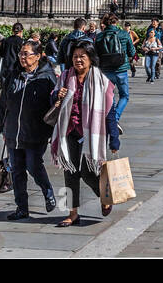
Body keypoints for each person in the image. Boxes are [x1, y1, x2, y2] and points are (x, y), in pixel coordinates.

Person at [49, 43, 118, 227]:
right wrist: (58, 94)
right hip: (68, 131)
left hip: (92, 133)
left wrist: (114, 140)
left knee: (89, 173)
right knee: (69, 172)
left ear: (90, 58)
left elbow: (109, 111)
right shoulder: (65, 76)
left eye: (82, 56)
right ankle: (71, 213)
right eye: (75, 56)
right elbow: (53, 100)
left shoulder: (101, 80)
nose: (78, 60)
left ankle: (105, 197)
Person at [0, 40, 59, 219]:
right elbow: (3, 102)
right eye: (21, 54)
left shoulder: (47, 78)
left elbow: (53, 107)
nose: (22, 57)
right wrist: (2, 126)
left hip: (35, 132)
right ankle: (21, 208)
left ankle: (48, 192)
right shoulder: (13, 75)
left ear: (38, 56)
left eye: (26, 54)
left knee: (33, 165)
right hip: (13, 131)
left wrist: (51, 131)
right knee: (17, 170)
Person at [95, 10, 135, 125]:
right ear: (115, 22)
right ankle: (115, 118)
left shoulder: (99, 36)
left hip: (106, 69)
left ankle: (111, 117)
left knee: (109, 95)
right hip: (121, 69)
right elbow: (132, 52)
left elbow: (96, 54)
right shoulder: (124, 34)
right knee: (124, 96)